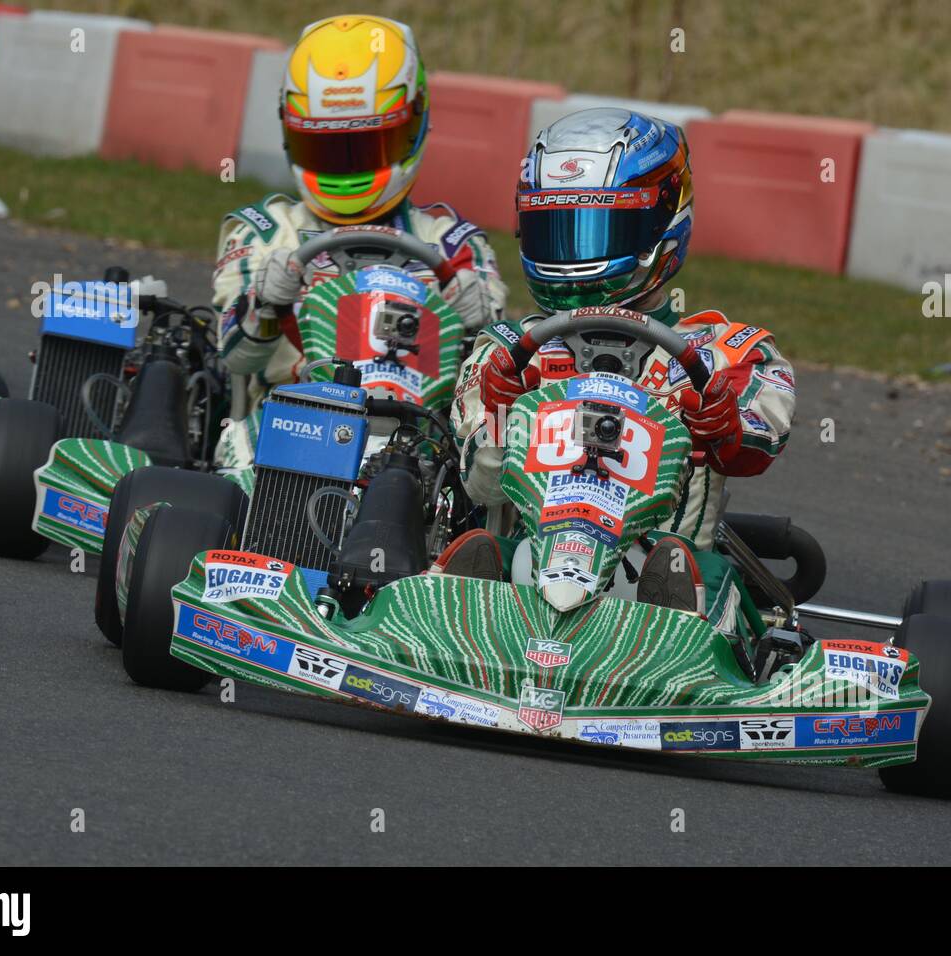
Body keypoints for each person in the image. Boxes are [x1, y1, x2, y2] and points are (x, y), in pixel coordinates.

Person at [439, 108, 795, 629]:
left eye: (597, 231)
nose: (574, 255)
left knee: (702, 572)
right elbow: (484, 489)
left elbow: (757, 442)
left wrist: (726, 426)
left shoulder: (725, 353)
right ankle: (464, 618)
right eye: (558, 231)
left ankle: (674, 638)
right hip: (528, 573)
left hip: (665, 576)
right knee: (489, 549)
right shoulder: (508, 351)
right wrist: (498, 414)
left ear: (662, 224)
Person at [211, 14, 507, 468]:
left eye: (368, 147)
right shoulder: (267, 232)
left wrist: (481, 328)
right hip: (286, 425)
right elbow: (235, 361)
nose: (348, 167)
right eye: (327, 150)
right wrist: (265, 304)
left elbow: (501, 388)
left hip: (417, 447)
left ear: (413, 124)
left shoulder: (452, 244)